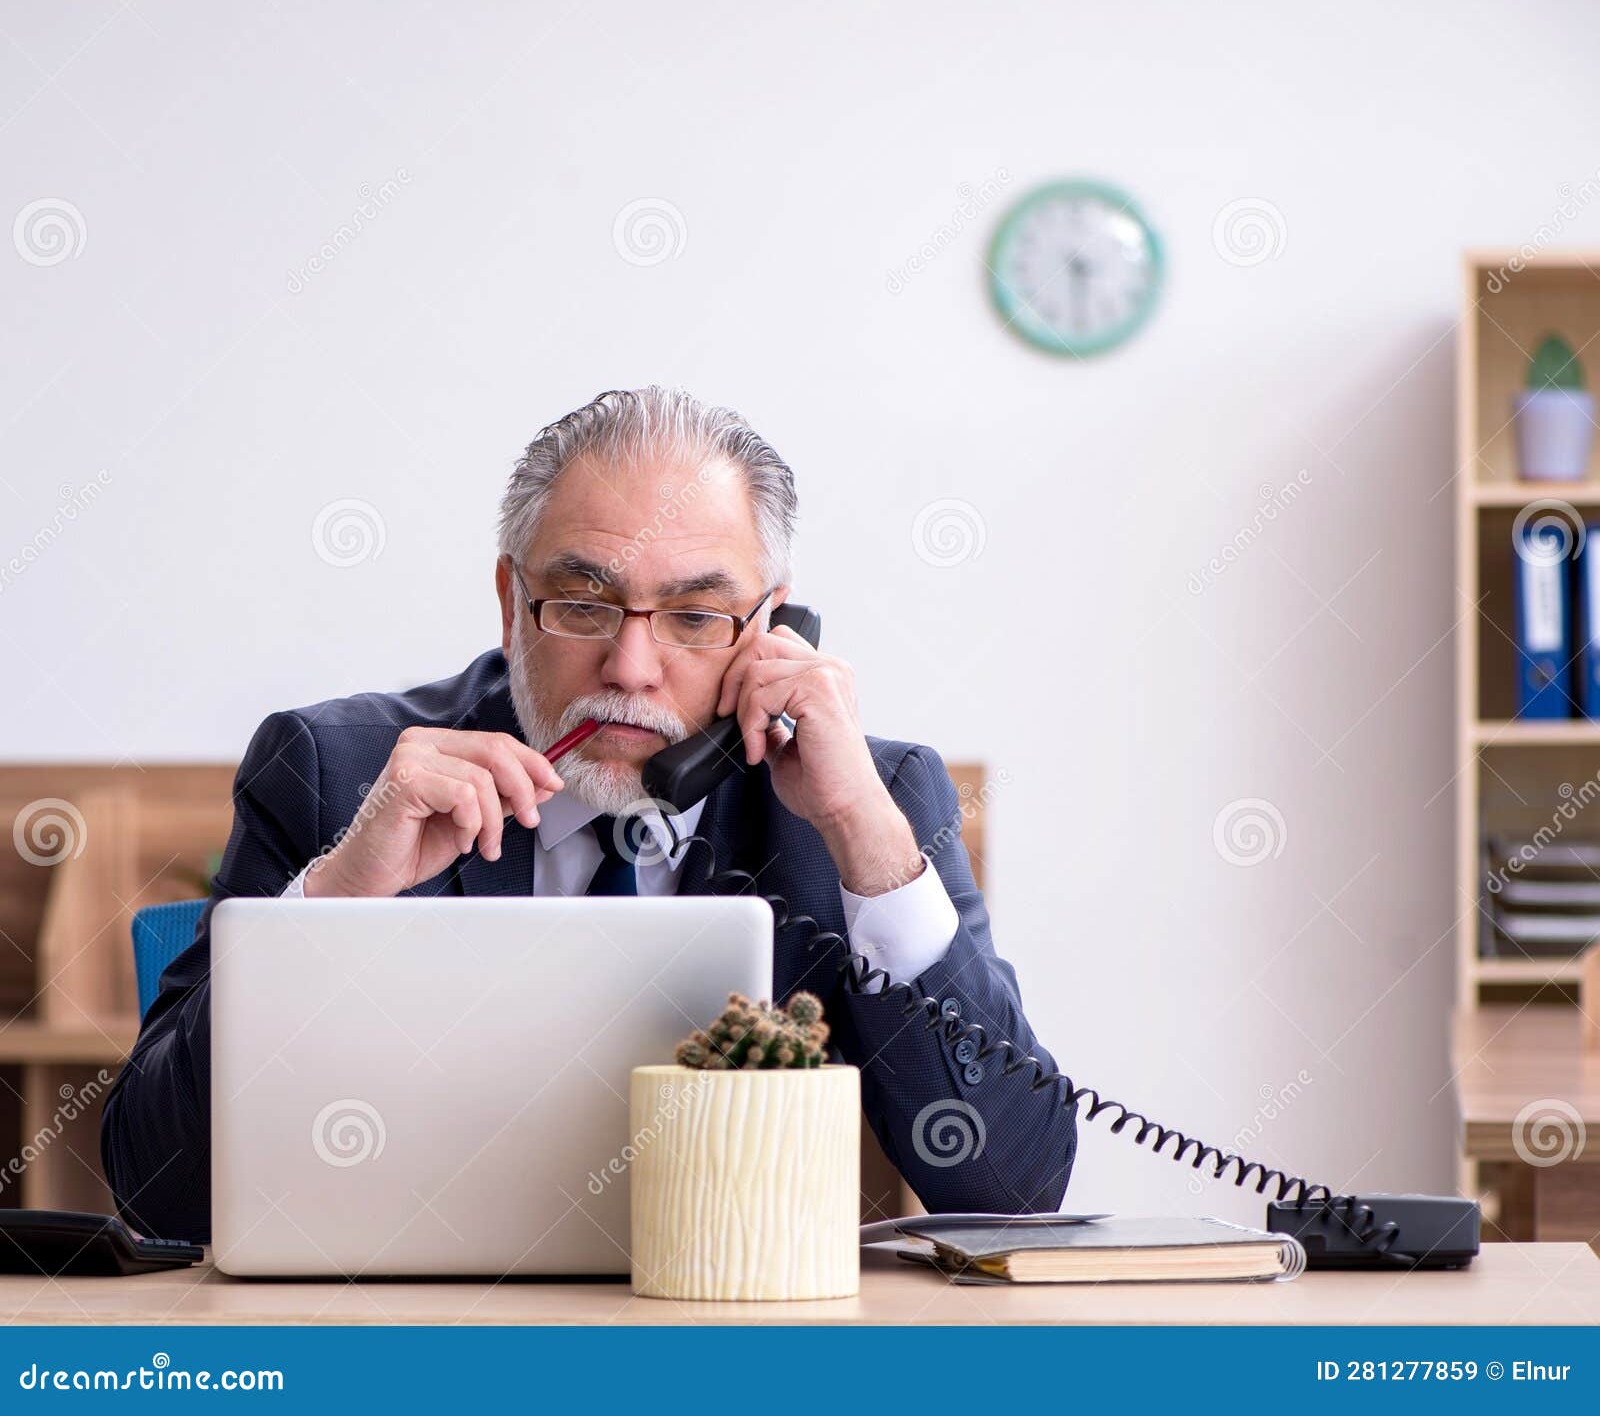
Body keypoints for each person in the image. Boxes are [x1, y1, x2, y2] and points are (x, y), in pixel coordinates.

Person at [100, 386, 1077, 1241]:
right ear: (508, 598)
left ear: (772, 627)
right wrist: (340, 896)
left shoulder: (870, 800)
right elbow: (158, 1190)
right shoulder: (333, 773)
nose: (631, 668)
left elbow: (1012, 1187)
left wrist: (866, 840)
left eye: (695, 616)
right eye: (581, 603)